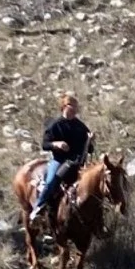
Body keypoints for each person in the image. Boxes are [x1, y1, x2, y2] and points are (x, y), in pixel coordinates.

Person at [33, 94, 95, 229]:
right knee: (50, 182)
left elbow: (89, 149)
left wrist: (90, 141)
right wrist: (57, 144)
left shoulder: (81, 127)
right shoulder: (55, 125)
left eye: (75, 107)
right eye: (70, 106)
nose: (73, 110)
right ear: (63, 107)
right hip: (59, 161)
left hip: (78, 164)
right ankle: (37, 209)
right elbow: (45, 144)